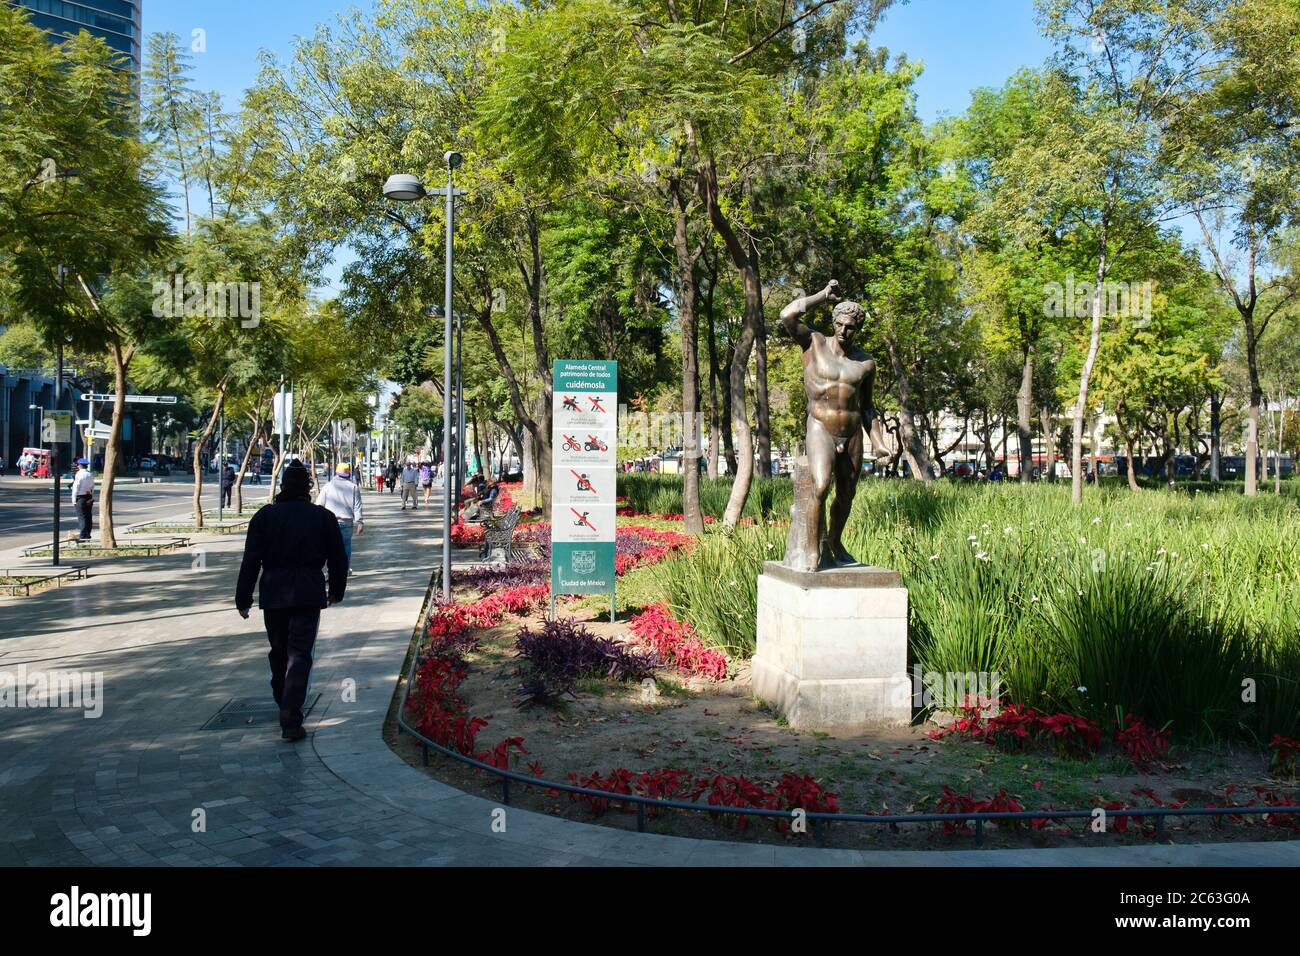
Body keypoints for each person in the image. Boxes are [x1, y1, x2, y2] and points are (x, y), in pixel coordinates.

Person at [235, 459, 347, 741]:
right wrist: (336, 590)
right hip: (308, 592)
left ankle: (284, 701)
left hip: (274, 593)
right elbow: (337, 559)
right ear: (308, 488)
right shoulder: (323, 518)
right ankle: (290, 715)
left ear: (282, 486)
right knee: (299, 655)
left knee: (279, 651)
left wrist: (243, 598)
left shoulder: (264, 517)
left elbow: (251, 561)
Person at [316, 461, 364, 575]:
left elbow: (319, 505)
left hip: (329, 523)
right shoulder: (353, 487)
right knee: (346, 546)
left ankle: (330, 571)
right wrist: (360, 523)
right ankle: (345, 569)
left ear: (336, 473)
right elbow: (357, 506)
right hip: (347, 522)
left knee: (330, 547)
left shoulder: (328, 486)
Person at [71, 458, 94, 541]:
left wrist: (73, 500)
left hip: (81, 497)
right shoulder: (90, 474)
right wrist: (91, 496)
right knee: (88, 516)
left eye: (77, 465)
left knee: (82, 517)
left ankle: (83, 535)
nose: (77, 466)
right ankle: (88, 534)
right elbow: (92, 487)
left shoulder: (79, 474)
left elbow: (76, 488)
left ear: (80, 465)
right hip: (89, 497)